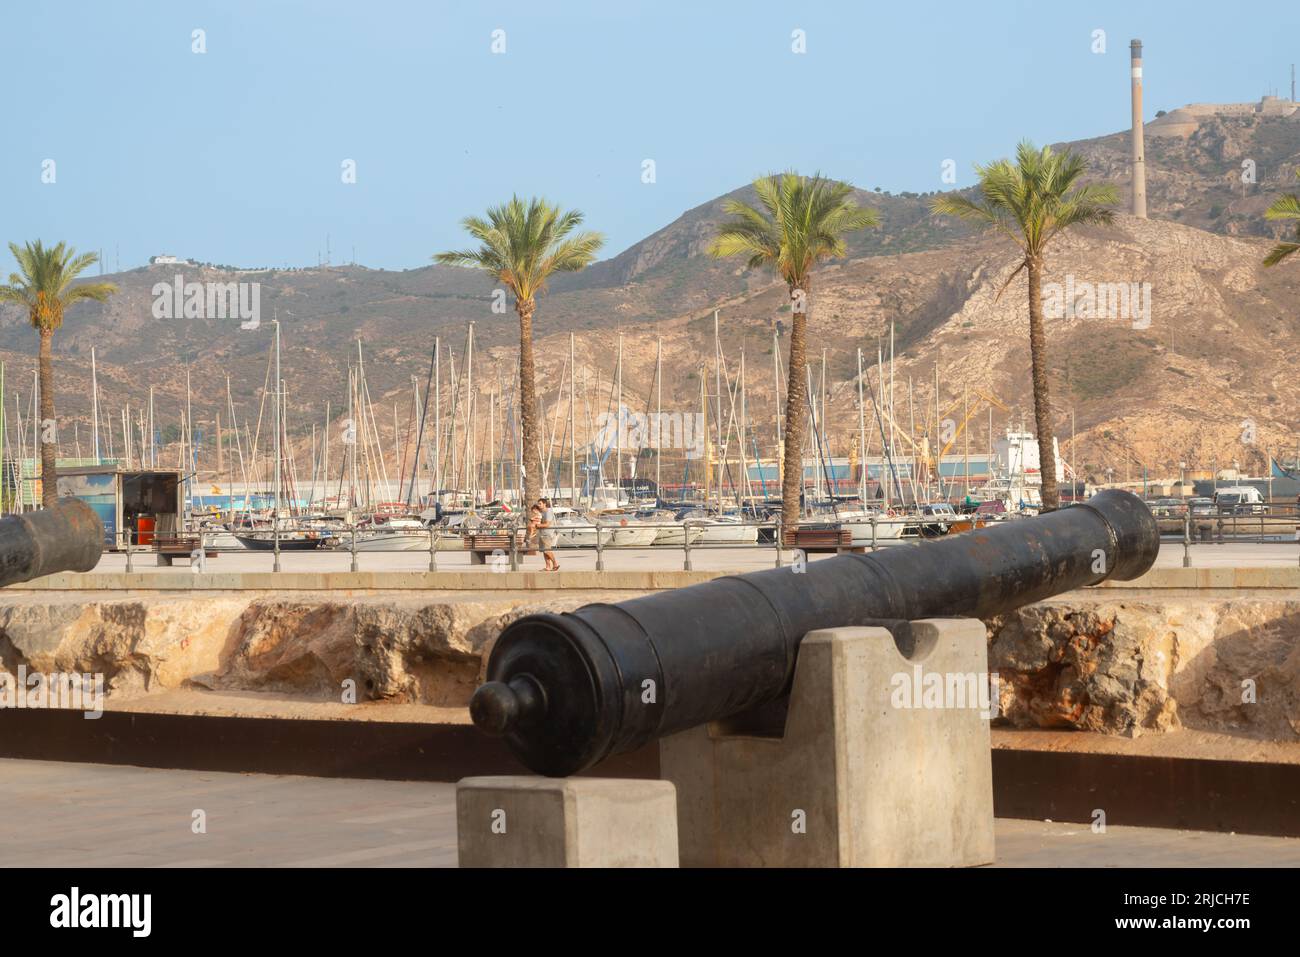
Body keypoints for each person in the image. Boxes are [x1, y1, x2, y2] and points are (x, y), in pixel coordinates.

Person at [536, 497, 559, 571]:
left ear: (544, 504)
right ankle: (548, 566)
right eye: (538, 504)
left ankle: (555, 564)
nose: (539, 505)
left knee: (547, 550)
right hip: (542, 533)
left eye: (540, 504)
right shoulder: (541, 512)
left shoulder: (548, 512)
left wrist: (538, 525)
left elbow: (547, 524)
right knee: (544, 551)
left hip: (548, 534)